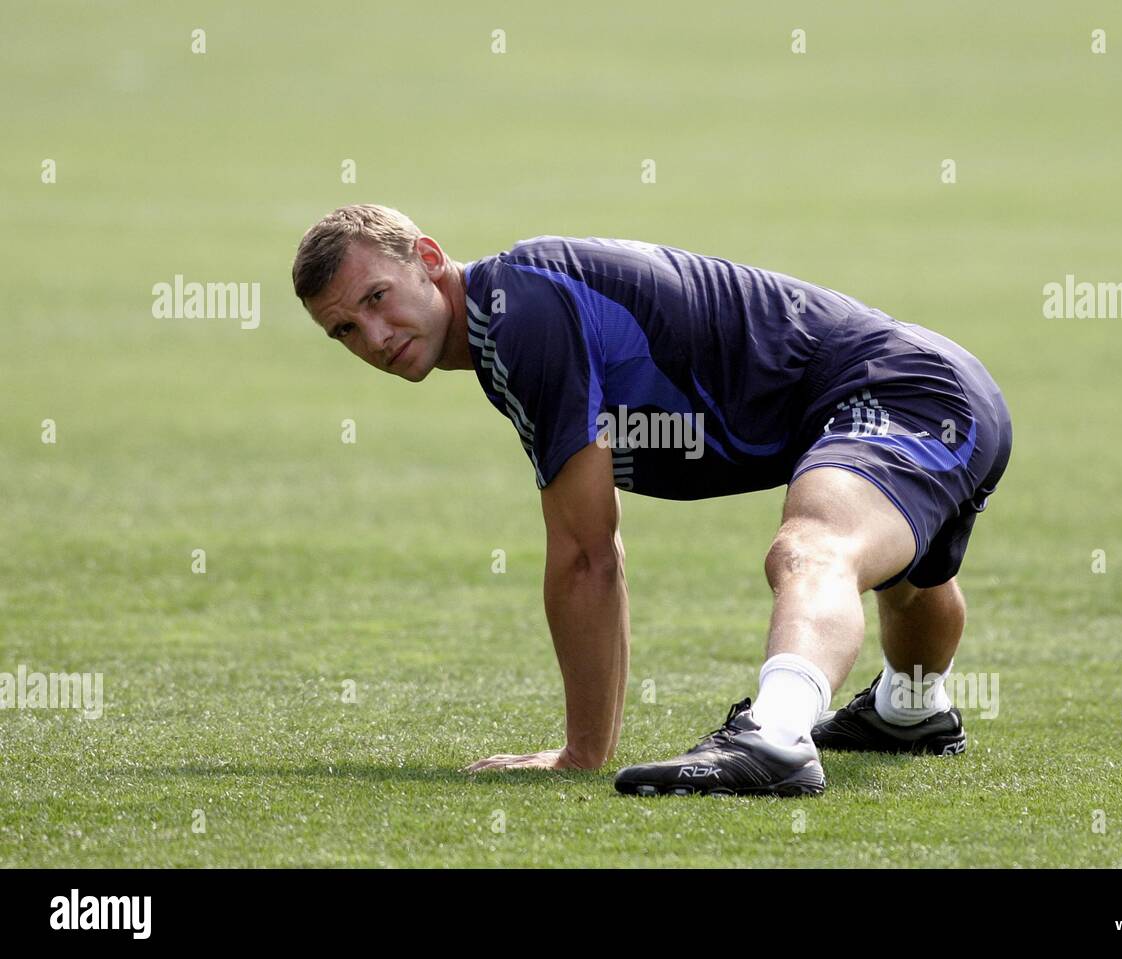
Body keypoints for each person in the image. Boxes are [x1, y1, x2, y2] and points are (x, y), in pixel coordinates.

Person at [291, 204, 1012, 797]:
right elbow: (596, 545)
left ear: (427, 257)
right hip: (929, 385)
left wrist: (581, 752)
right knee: (907, 578)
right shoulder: (509, 316)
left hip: (906, 392)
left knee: (814, 546)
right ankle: (911, 707)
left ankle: (775, 736)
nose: (375, 337)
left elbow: (586, 555)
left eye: (376, 298)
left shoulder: (519, 314)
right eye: (345, 329)